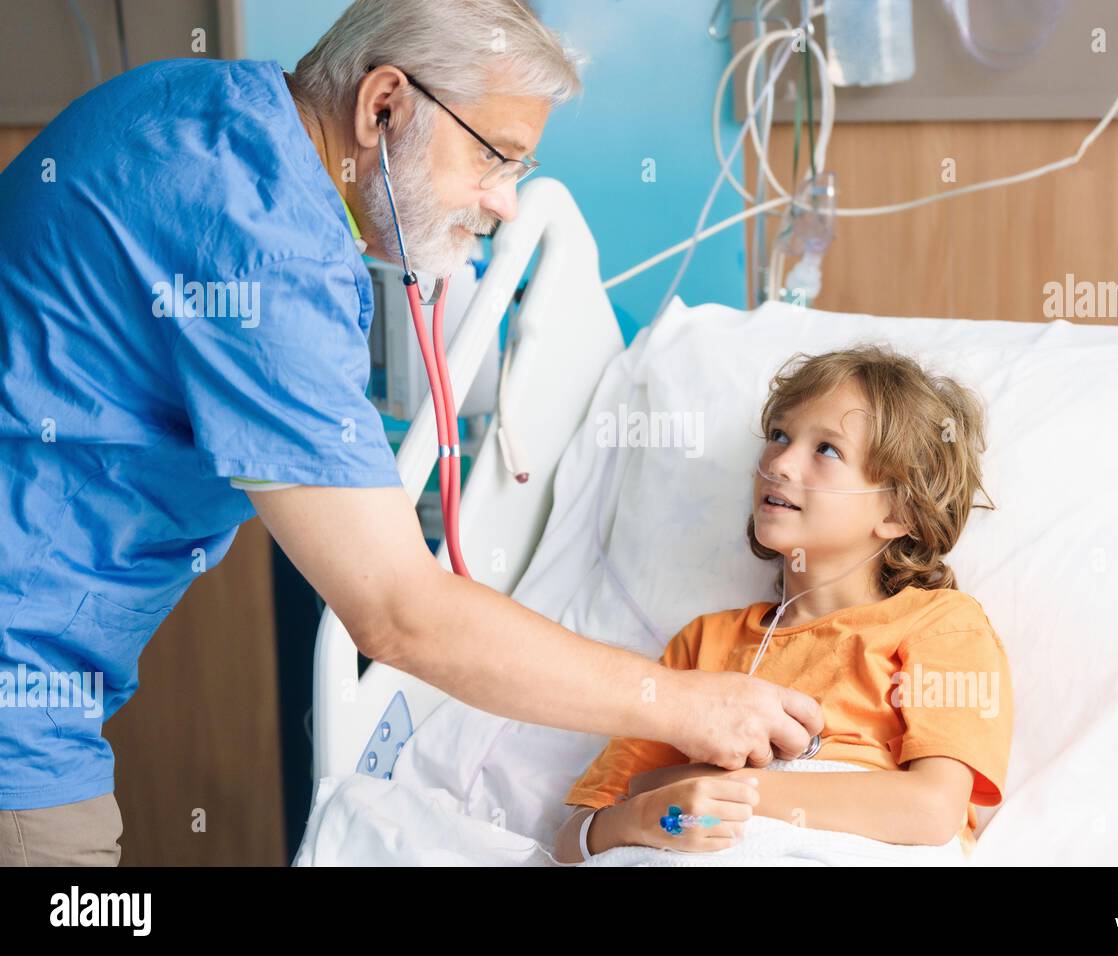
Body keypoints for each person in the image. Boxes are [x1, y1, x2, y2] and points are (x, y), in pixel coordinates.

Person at [0, 0, 820, 866]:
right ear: (381, 104)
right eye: (491, 157)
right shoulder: (268, 255)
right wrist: (689, 704)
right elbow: (396, 612)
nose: (504, 203)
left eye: (521, 167)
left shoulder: (191, 101)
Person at [553, 346, 1013, 863]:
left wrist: (710, 788)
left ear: (899, 511)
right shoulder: (704, 643)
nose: (779, 463)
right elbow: (574, 839)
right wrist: (648, 815)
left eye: (828, 450)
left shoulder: (941, 625)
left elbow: (930, 811)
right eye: (779, 436)